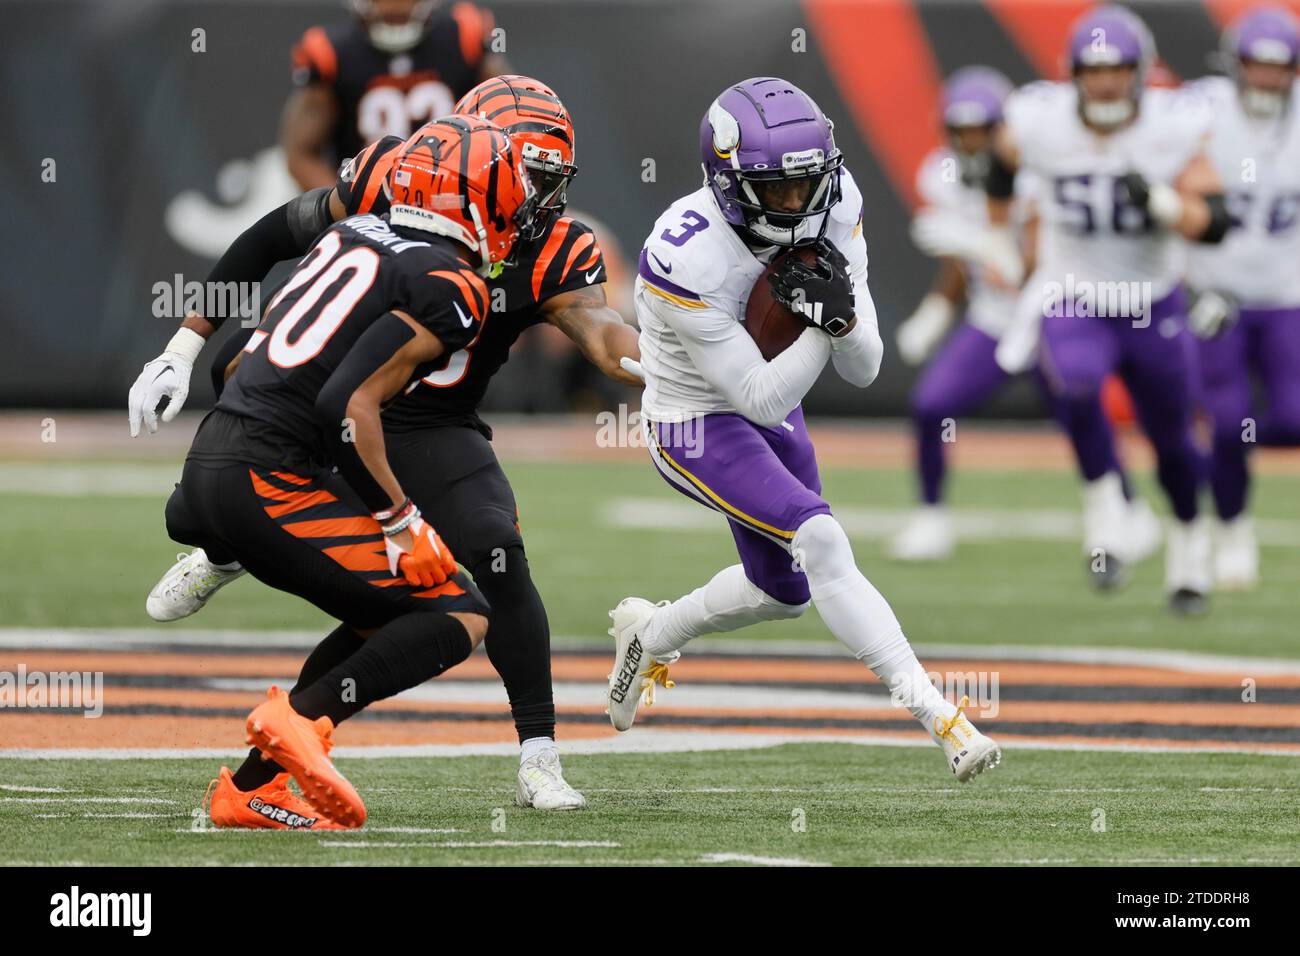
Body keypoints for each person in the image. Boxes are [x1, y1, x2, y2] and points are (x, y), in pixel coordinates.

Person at [130, 76, 641, 816]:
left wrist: (657, 365)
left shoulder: (549, 242)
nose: (539, 199)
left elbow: (596, 329)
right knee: (239, 362)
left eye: (546, 180)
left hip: (428, 420)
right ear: (470, 166)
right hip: (338, 411)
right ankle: (227, 550)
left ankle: (538, 757)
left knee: (492, 555)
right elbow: (271, 238)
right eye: (524, 177)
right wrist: (184, 344)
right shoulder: (407, 189)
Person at [605, 76, 1001, 783]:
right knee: (821, 537)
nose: (795, 204)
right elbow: (755, 397)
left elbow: (866, 368)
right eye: (774, 190)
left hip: (773, 396)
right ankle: (941, 716)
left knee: (783, 593)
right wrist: (827, 325)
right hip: (694, 420)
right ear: (728, 182)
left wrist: (838, 319)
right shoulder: (686, 251)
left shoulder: (837, 198)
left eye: (804, 185)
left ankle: (654, 633)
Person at [179, 115, 533, 826]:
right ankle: (304, 722)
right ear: (473, 202)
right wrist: (400, 520)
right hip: (266, 477)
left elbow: (234, 361)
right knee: (459, 611)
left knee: (388, 610)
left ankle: (250, 789)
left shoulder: (350, 233)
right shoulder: (451, 281)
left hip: (214, 460)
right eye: (509, 203)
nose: (516, 221)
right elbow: (348, 402)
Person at [983, 5, 1230, 614]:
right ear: (1073, 73)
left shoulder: (1172, 127)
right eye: (1094, 69)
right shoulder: (1040, 120)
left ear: (1141, 71)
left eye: (1118, 68)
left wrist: (1167, 205)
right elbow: (999, 162)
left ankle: (1189, 542)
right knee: (1075, 383)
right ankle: (1105, 509)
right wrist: (996, 240)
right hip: (1076, 290)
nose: (1107, 81)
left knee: (1173, 439)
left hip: (1150, 300)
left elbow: (1216, 223)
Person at [1186, 6, 1300, 590]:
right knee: (1229, 424)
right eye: (1256, 66)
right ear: (1236, 65)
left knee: (1291, 417)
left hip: (1288, 298)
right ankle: (1231, 526)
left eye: (1278, 69)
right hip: (1219, 298)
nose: (1266, 79)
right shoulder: (1201, 110)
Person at [284, 0, 503, 189]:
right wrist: (346, 204)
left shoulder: (465, 36)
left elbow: (509, 113)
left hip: (454, 194)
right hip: (369, 202)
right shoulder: (331, 52)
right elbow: (302, 155)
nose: (395, 5)